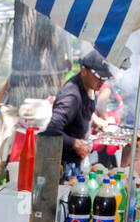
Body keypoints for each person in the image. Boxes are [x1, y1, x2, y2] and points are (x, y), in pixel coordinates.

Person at [43, 51, 113, 179]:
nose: (101, 81)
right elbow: (51, 131)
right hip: (63, 163)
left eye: (104, 78)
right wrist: (76, 144)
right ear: (84, 70)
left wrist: (96, 120)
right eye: (98, 76)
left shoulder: (89, 86)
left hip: (75, 161)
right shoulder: (71, 96)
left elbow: (83, 108)